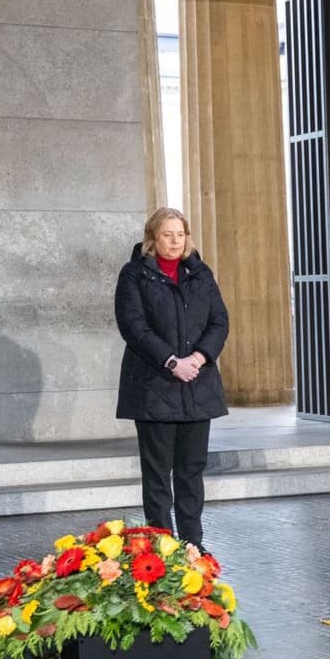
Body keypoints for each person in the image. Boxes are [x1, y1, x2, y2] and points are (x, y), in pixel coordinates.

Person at [116, 207, 229, 550]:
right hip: (154, 390)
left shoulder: (201, 273)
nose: (175, 241)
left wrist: (198, 357)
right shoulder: (135, 274)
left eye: (180, 234)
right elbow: (134, 326)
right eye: (168, 234)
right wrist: (171, 362)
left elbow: (219, 322)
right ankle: (162, 547)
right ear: (152, 238)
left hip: (198, 386)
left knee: (191, 473)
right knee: (158, 477)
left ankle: (193, 544)